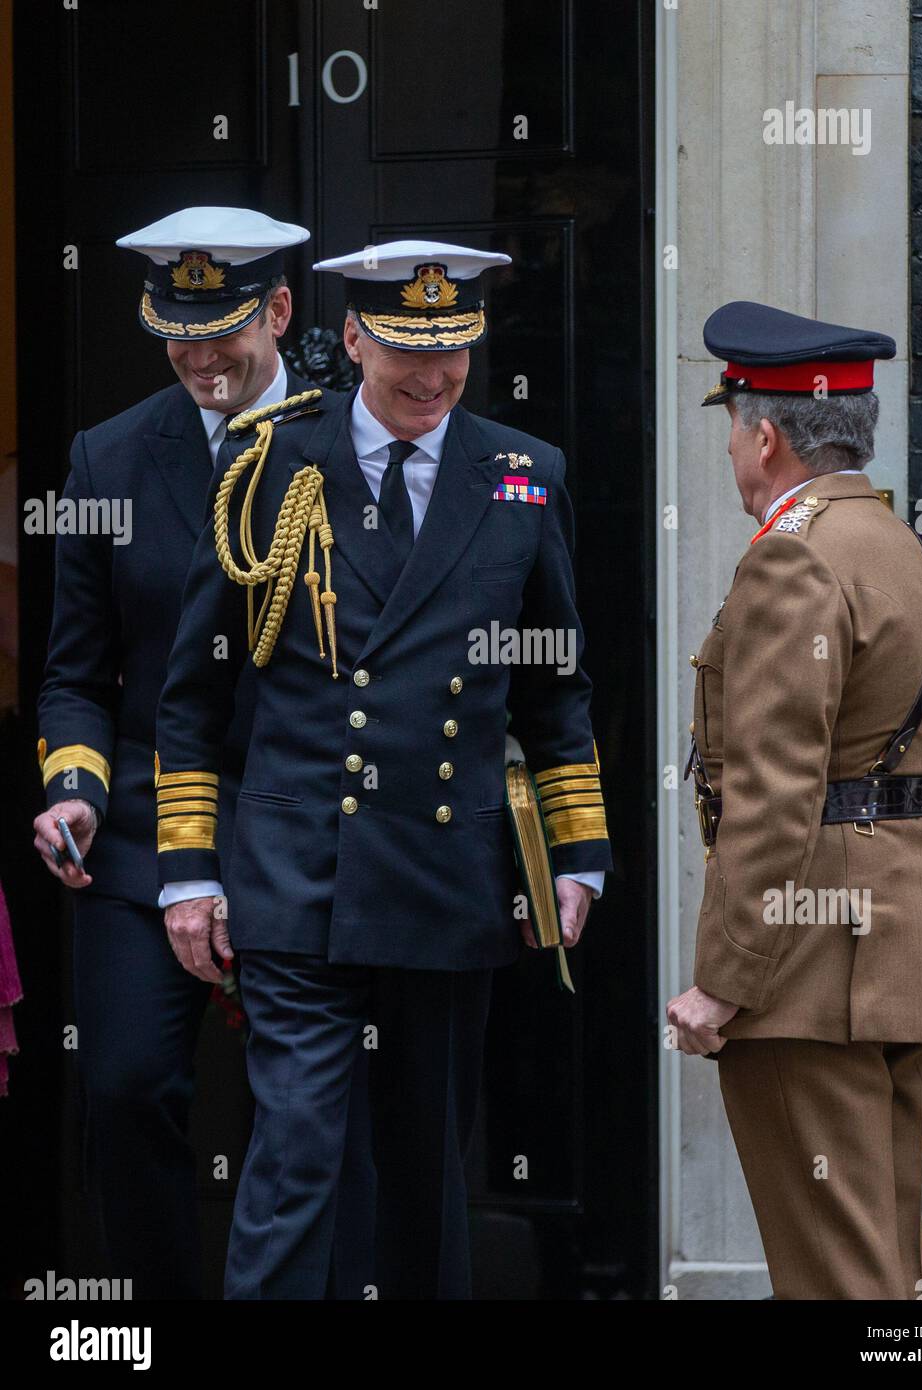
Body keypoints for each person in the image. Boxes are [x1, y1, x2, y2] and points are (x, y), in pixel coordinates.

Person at [155, 239, 612, 1299]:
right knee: (294, 1156)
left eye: (452, 354)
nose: (432, 379)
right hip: (296, 872)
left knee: (423, 1167)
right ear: (354, 339)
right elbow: (194, 691)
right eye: (408, 354)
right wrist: (188, 867)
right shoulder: (265, 462)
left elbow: (553, 685)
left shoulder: (521, 475)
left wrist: (575, 856)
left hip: (445, 876)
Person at [34, 206, 373, 1298]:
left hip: (308, 823)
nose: (198, 355)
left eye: (221, 328)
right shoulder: (108, 457)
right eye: (176, 330)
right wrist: (75, 788)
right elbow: (75, 673)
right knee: (125, 1086)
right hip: (140, 828)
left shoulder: (348, 444)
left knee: (325, 1105)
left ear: (277, 310)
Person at [667, 301, 922, 1300]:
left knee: (837, 1283)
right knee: (889, 1277)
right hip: (903, 952)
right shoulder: (915, 552)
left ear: (762, 435)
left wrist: (724, 976)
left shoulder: (793, 555)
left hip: (811, 976)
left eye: (732, 425)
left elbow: (773, 792)